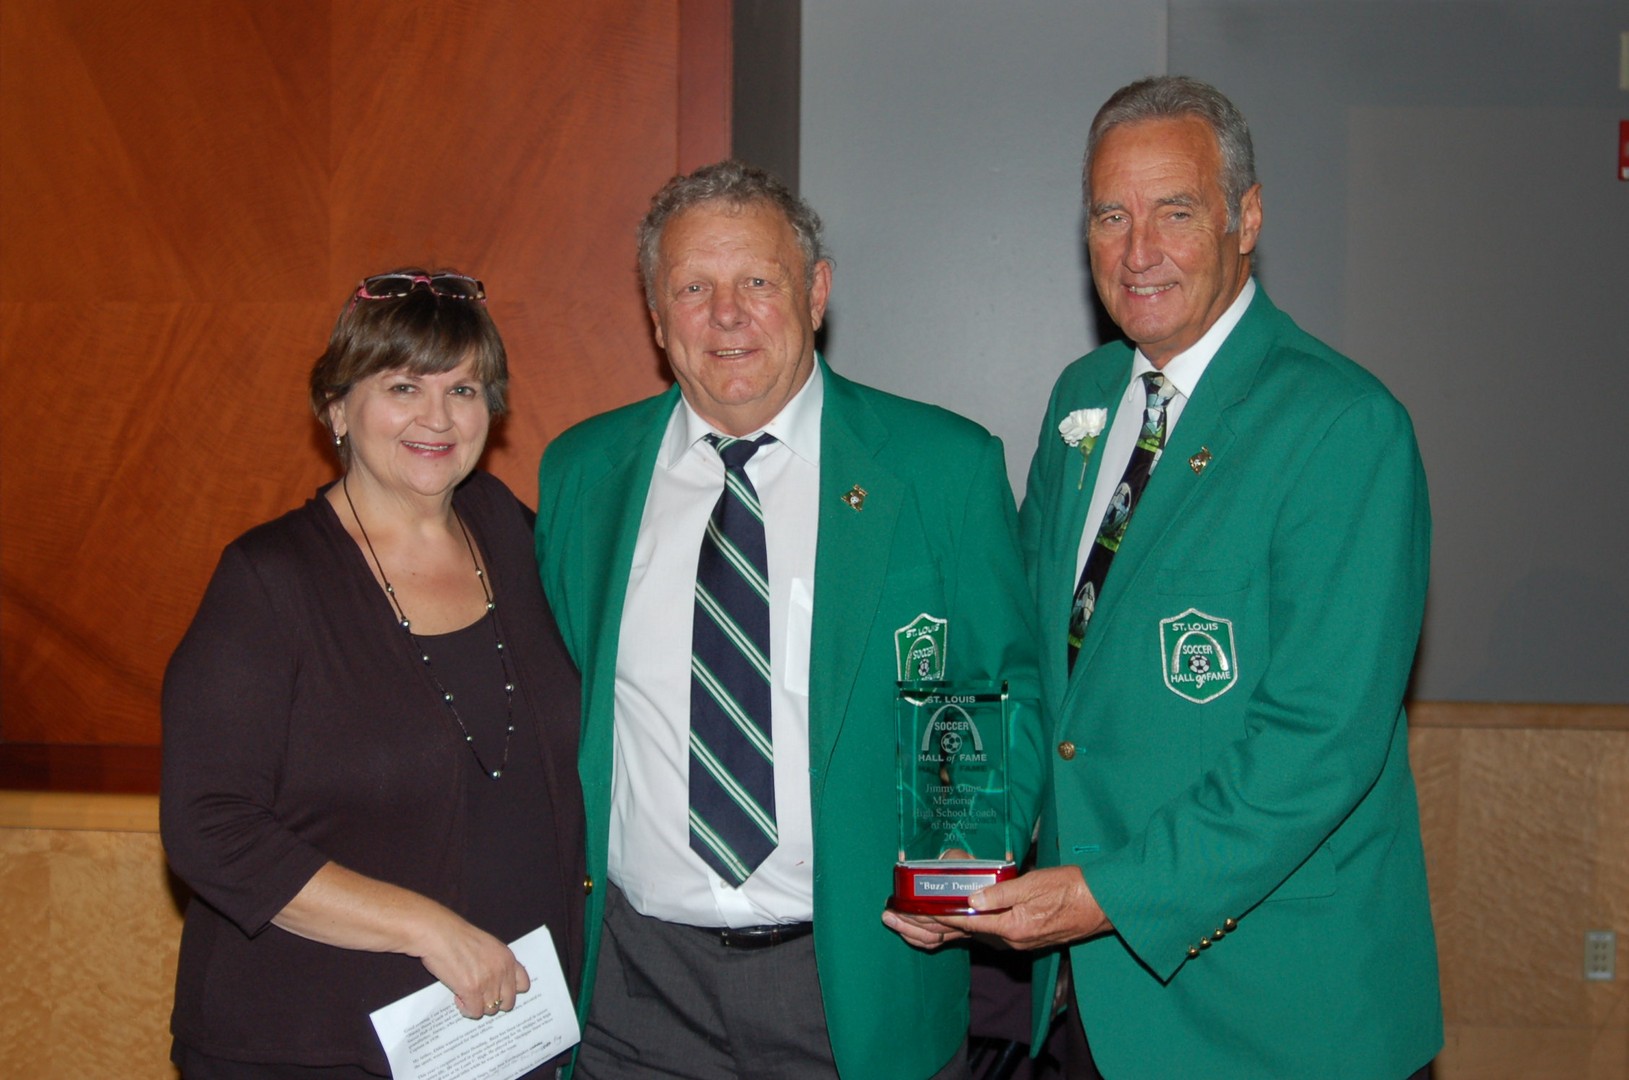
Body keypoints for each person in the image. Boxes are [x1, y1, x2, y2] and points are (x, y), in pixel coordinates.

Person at [884, 76, 1444, 1078]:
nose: (1137, 250)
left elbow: (1319, 742)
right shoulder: (1086, 395)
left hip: (1274, 1013)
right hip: (1090, 1002)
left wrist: (1107, 895)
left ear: (1246, 219)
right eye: (1111, 215)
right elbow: (1030, 664)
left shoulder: (1343, 425)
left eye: (1174, 212)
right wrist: (959, 850)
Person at [535, 161, 1043, 1079]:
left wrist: (968, 856)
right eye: (693, 288)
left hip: (855, 977)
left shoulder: (941, 468)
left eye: (758, 282)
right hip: (632, 990)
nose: (726, 315)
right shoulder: (583, 473)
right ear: (656, 315)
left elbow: (1009, 686)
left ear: (815, 293)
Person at [161, 268, 585, 1078]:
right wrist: (427, 929)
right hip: (308, 1046)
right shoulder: (270, 580)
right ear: (335, 407)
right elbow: (208, 827)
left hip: (507, 1032)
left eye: (463, 390)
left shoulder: (511, 533)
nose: (437, 417)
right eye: (402, 387)